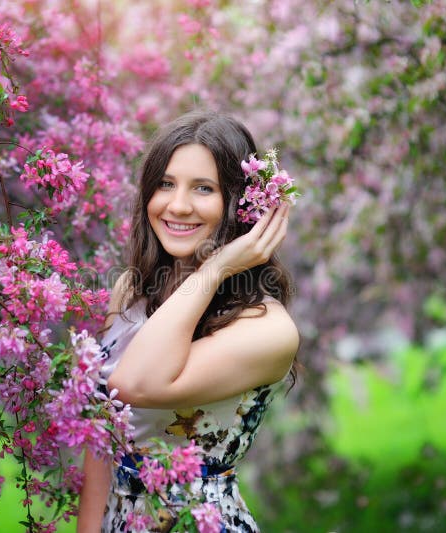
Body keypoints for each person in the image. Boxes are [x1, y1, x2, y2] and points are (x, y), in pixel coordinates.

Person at [77, 110, 299, 532]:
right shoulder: (131, 291)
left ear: (242, 205)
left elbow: (135, 386)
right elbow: (102, 435)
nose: (177, 205)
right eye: (165, 184)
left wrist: (214, 271)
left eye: (203, 188)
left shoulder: (269, 329)